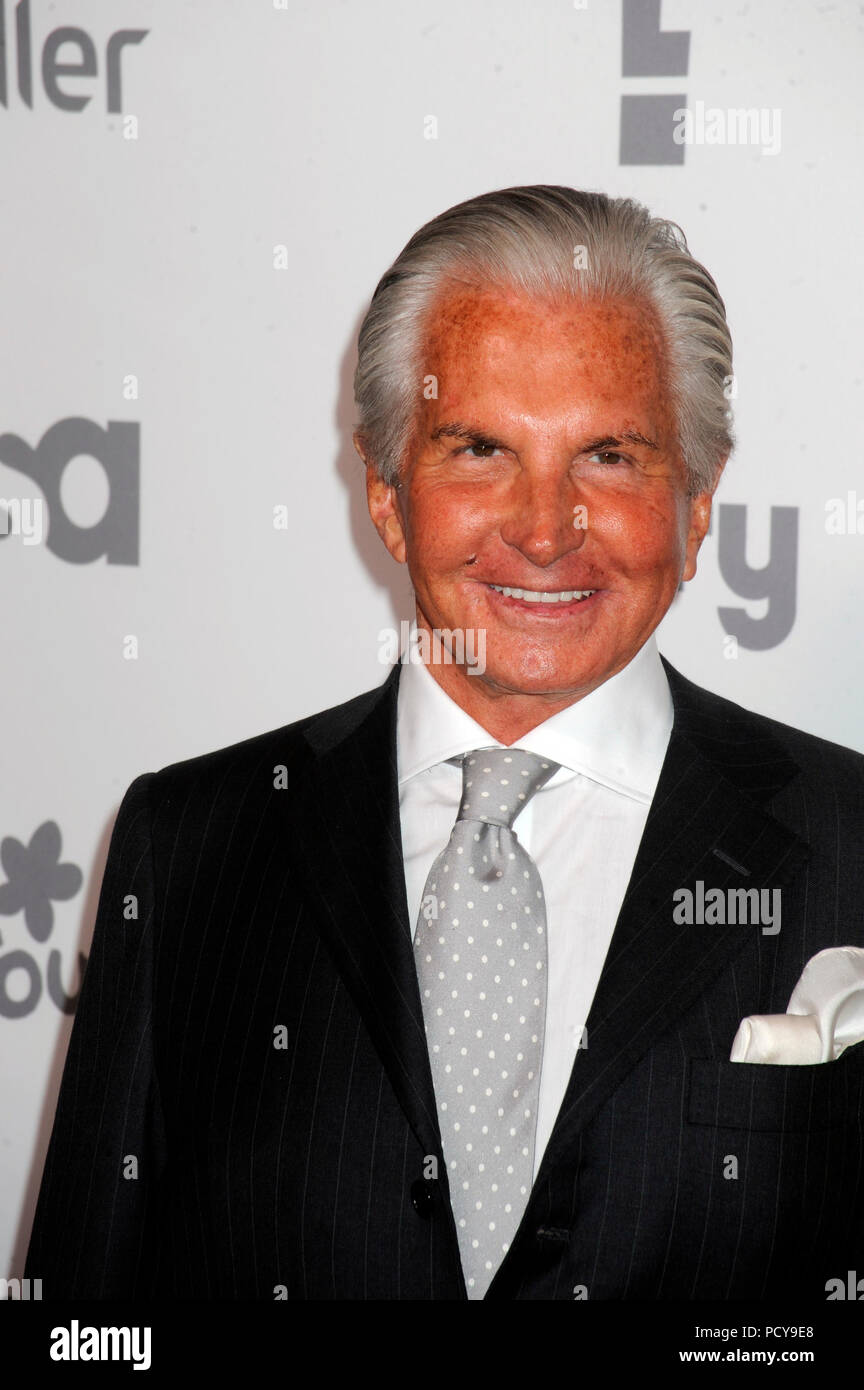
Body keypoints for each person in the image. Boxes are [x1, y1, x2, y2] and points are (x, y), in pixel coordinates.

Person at [25, 186, 864, 1300]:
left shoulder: (849, 840)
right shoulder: (187, 849)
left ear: (698, 503)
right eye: (479, 450)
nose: (542, 527)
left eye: (610, 455)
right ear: (384, 491)